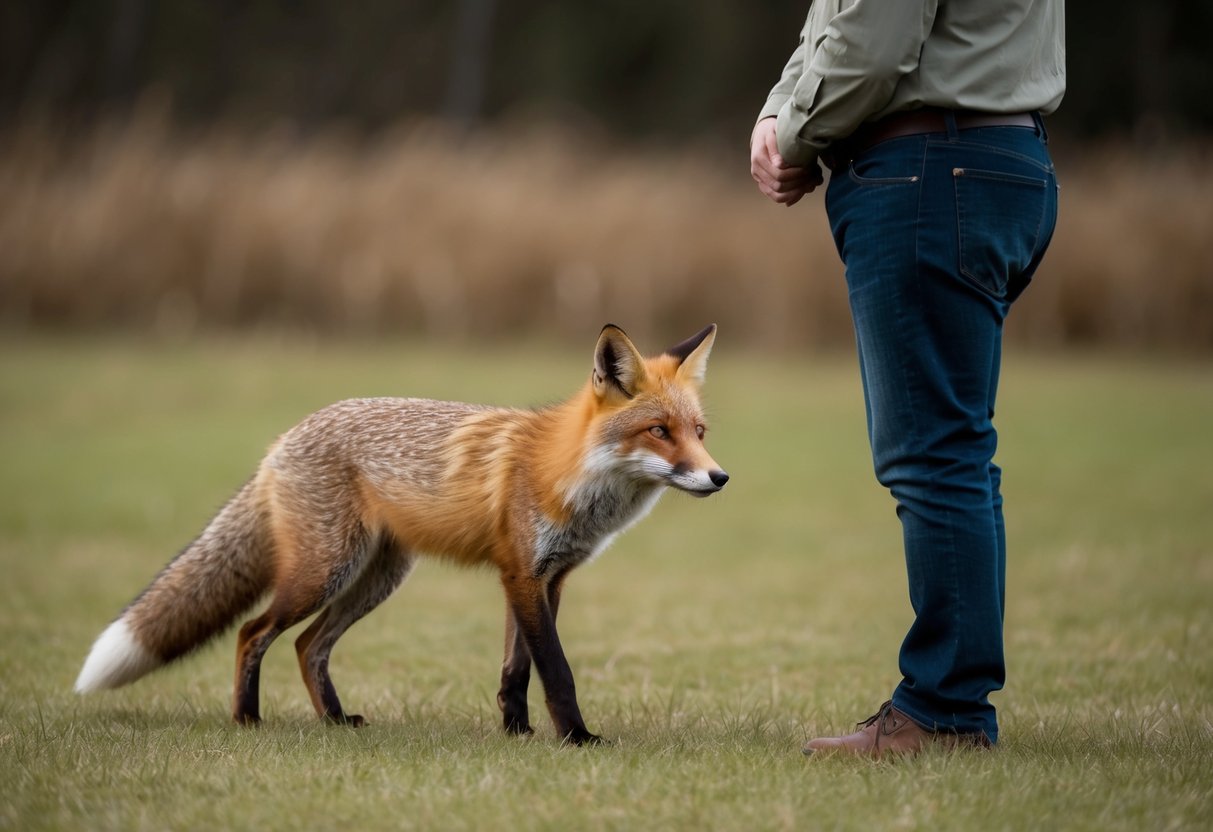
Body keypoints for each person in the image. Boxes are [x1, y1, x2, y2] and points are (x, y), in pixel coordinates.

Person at [750, 1, 1065, 756]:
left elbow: (871, 40)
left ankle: (945, 712)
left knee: (934, 453)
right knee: (954, 448)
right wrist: (779, 110)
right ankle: (953, 702)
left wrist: (792, 133)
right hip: (999, 161)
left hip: (928, 170)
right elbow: (838, 20)